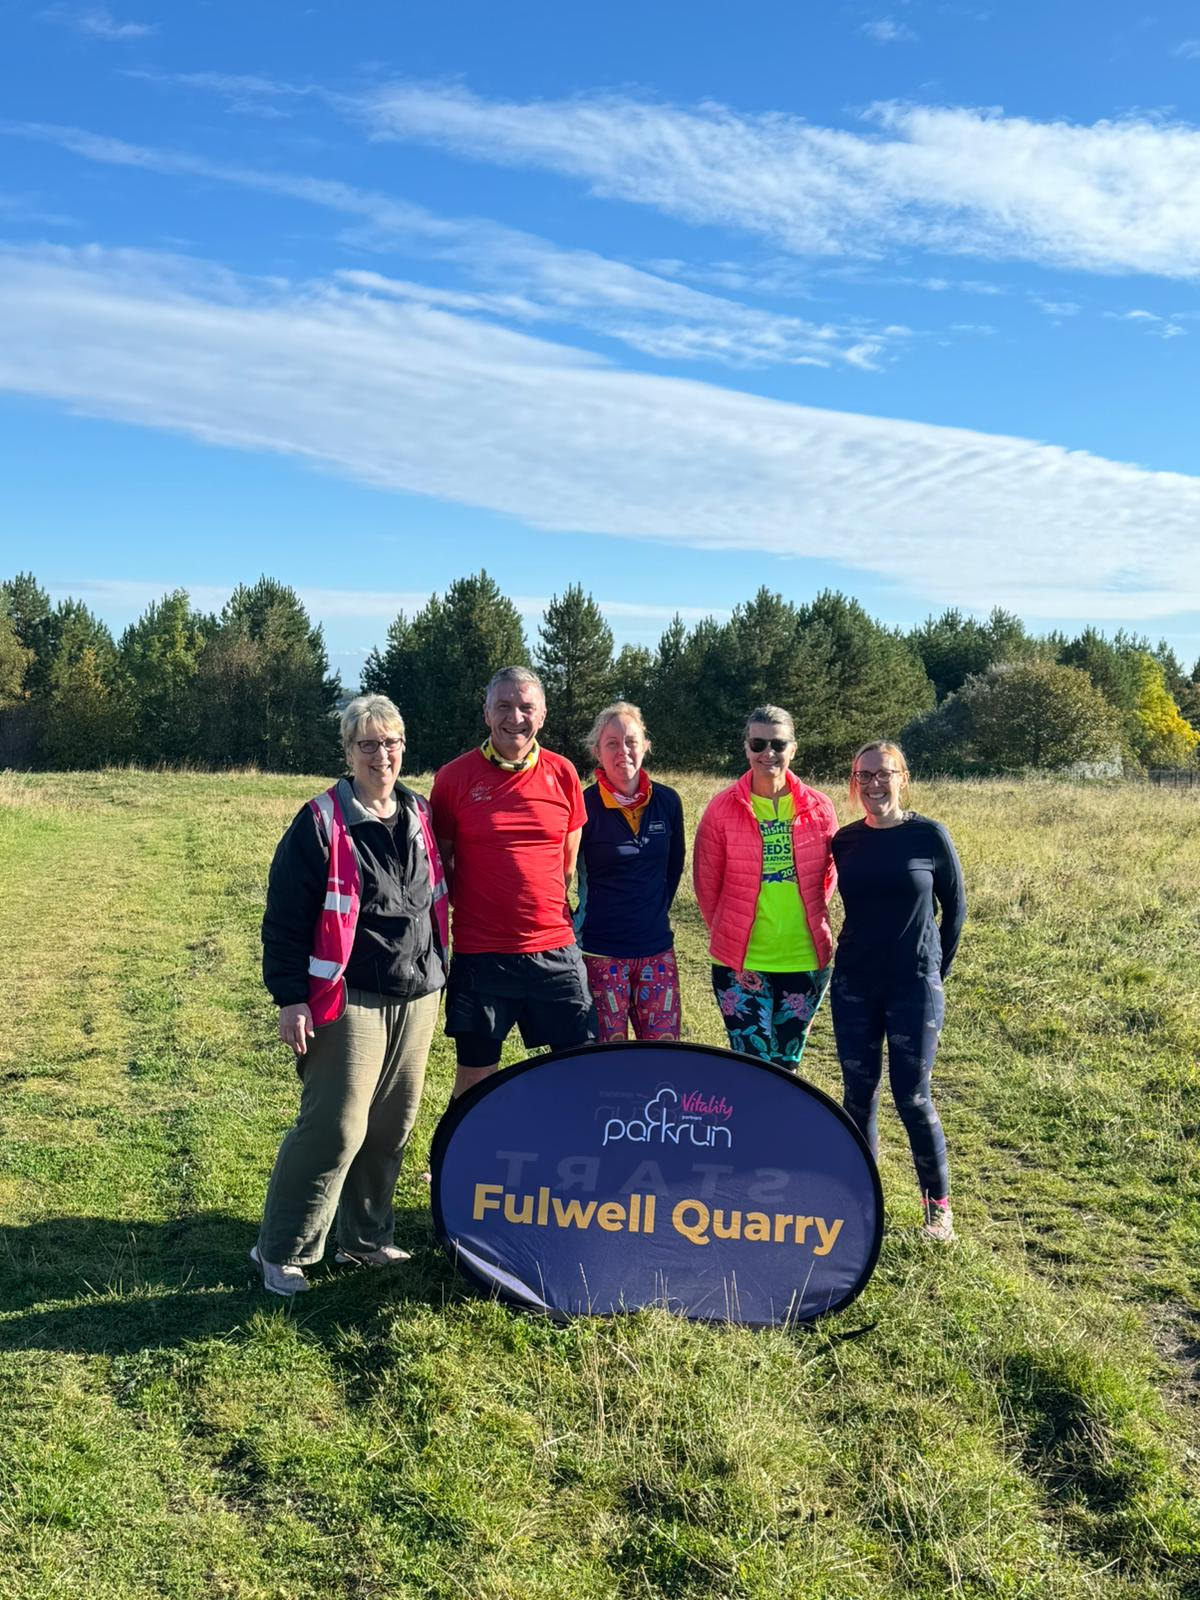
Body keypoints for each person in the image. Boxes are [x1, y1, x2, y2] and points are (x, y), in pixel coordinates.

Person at [252, 693, 448, 1297]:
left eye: (390, 743)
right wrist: (291, 998)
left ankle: (363, 1239)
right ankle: (281, 1247)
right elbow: (284, 919)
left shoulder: (419, 811)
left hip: (418, 993)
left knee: (392, 1127)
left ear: (402, 748)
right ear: (348, 752)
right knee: (336, 1126)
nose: (380, 755)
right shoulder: (320, 821)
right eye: (367, 744)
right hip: (347, 996)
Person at [430, 666, 597, 1099]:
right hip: (481, 953)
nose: (514, 717)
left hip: (555, 950)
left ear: (542, 715)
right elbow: (443, 862)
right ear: (486, 713)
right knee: (475, 1079)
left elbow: (566, 861)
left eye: (526, 707)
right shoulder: (453, 778)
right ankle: (457, 1166)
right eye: (503, 706)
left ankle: (570, 1162)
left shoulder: (564, 774)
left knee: (577, 1071)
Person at [830, 741, 966, 1243]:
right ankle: (861, 1201)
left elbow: (955, 911)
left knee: (913, 1097)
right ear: (854, 781)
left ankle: (938, 1213)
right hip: (854, 985)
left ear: (902, 777)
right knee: (857, 1096)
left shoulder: (928, 835)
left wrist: (933, 972)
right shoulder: (843, 841)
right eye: (863, 775)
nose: (873, 784)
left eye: (883, 774)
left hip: (913, 988)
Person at [693, 705, 837, 1069]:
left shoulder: (821, 808)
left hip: (804, 958)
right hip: (741, 961)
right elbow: (707, 886)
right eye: (758, 744)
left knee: (787, 1064)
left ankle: (780, 1128)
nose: (767, 753)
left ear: (793, 749)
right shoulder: (722, 809)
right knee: (751, 1065)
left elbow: (828, 877)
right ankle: (747, 1128)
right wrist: (729, 933)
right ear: (746, 748)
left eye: (778, 744)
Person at [574, 702, 685, 1042]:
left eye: (631, 741)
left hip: (656, 950)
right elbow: (564, 872)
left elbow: (674, 867)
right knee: (608, 1059)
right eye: (612, 743)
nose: (623, 751)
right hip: (600, 952)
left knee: (664, 1054)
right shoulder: (584, 805)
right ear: (597, 752)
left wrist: (650, 914)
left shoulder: (668, 801)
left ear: (645, 746)